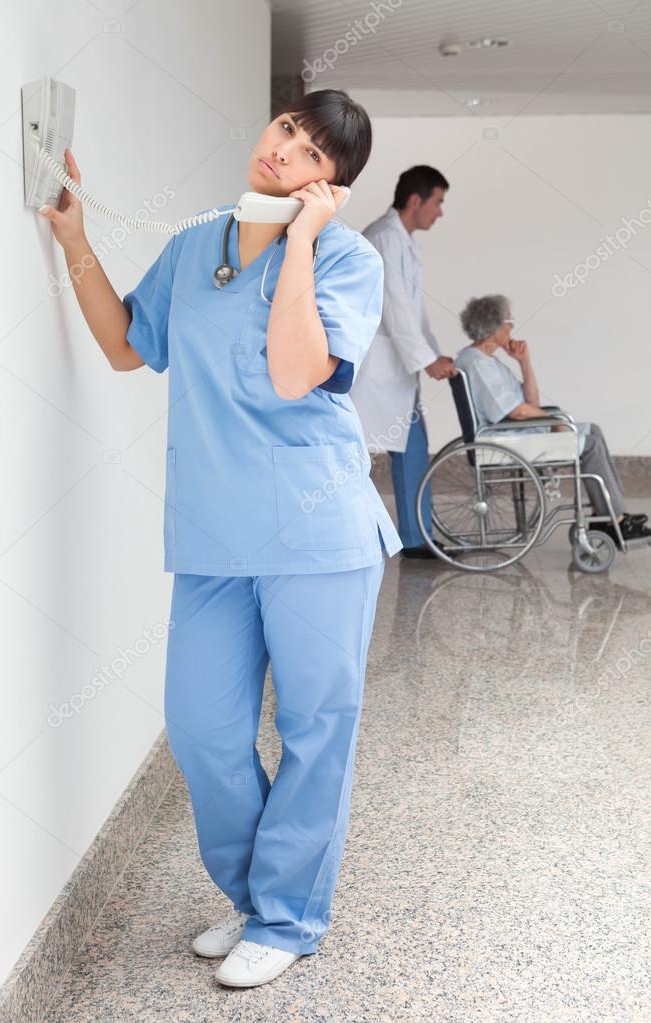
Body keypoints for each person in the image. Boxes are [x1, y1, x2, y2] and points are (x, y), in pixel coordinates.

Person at [39, 89, 403, 989]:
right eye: (289, 129)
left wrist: (302, 241)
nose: (286, 150)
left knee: (315, 728)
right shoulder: (197, 243)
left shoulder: (348, 260)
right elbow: (128, 344)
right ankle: (256, 898)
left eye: (313, 155)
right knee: (202, 728)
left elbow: (295, 371)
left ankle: (286, 917)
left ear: (332, 186)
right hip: (213, 535)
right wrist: (75, 237)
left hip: (318, 535)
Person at [455, 294, 650, 545]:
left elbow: (531, 404)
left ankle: (609, 514)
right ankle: (615, 520)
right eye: (509, 321)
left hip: (514, 433)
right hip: (503, 439)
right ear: (494, 326)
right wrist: (553, 419)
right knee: (590, 444)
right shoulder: (478, 364)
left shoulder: (485, 361)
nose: (512, 327)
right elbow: (517, 412)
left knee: (593, 431)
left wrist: (525, 362)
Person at [350, 166, 458, 559]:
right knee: (365, 454)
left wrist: (433, 354)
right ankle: (409, 538)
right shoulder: (384, 237)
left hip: (395, 369)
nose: (440, 212)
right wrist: (426, 360)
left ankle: (416, 537)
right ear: (415, 200)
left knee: (412, 449)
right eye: (437, 202)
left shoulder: (402, 241)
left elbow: (415, 313)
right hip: (376, 369)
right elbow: (395, 307)